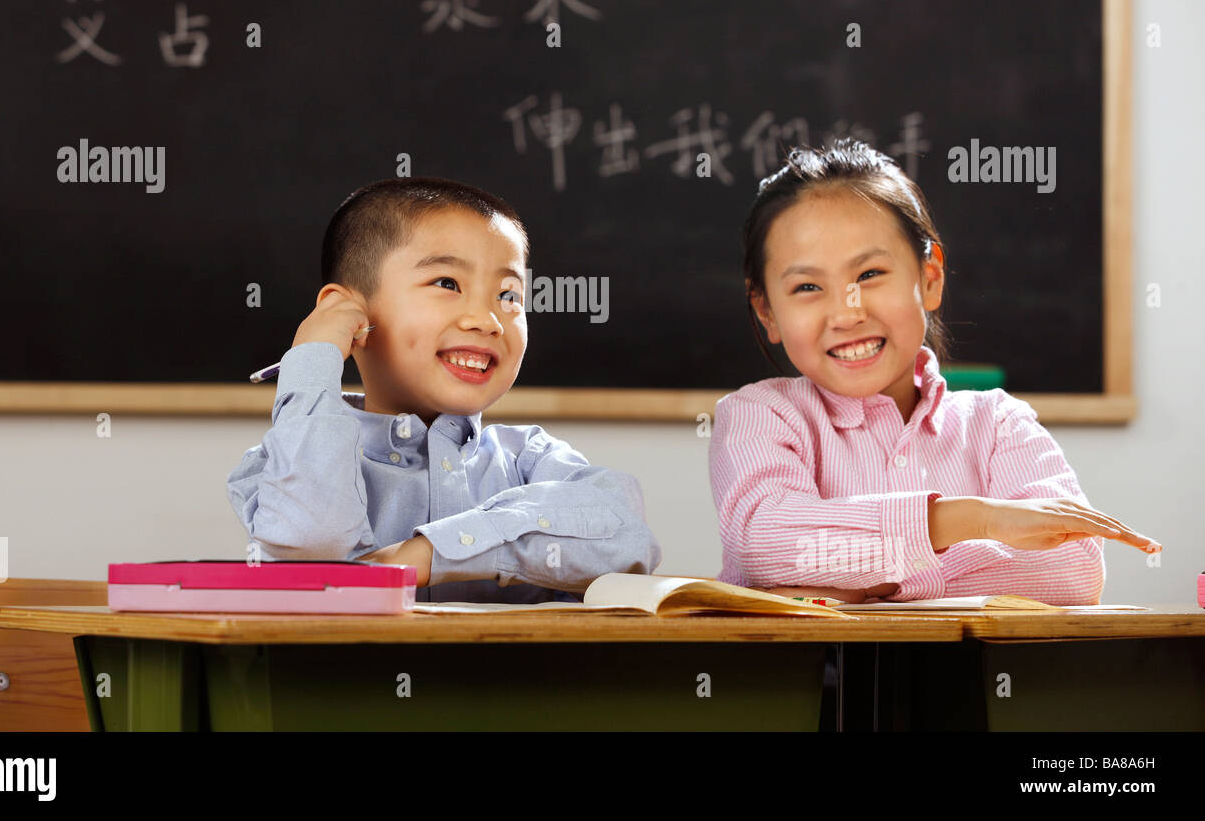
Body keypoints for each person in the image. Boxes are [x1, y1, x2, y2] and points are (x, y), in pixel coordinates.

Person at [710, 140, 1158, 604]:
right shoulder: (758, 416)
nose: (847, 313)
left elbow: (1073, 569)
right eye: (807, 286)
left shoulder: (999, 424)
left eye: (869, 275)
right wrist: (978, 520)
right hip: (805, 677)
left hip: (974, 678)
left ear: (930, 278)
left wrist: (880, 585)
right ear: (766, 310)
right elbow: (763, 543)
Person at [227, 177, 660, 603]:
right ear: (349, 313)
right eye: (448, 284)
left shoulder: (530, 459)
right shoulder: (278, 460)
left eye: (509, 294)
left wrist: (429, 554)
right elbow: (311, 543)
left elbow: (626, 535)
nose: (487, 319)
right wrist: (312, 359)